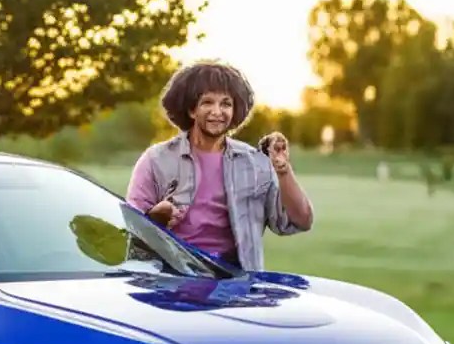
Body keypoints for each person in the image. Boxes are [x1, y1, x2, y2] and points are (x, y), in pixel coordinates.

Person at [126, 61, 314, 271]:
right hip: (173, 275)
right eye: (207, 102)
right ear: (191, 110)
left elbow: (299, 221)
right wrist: (156, 216)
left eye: (226, 104)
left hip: (236, 280)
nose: (217, 111)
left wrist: (283, 170)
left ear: (235, 111)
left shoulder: (253, 163)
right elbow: (132, 230)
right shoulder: (156, 159)